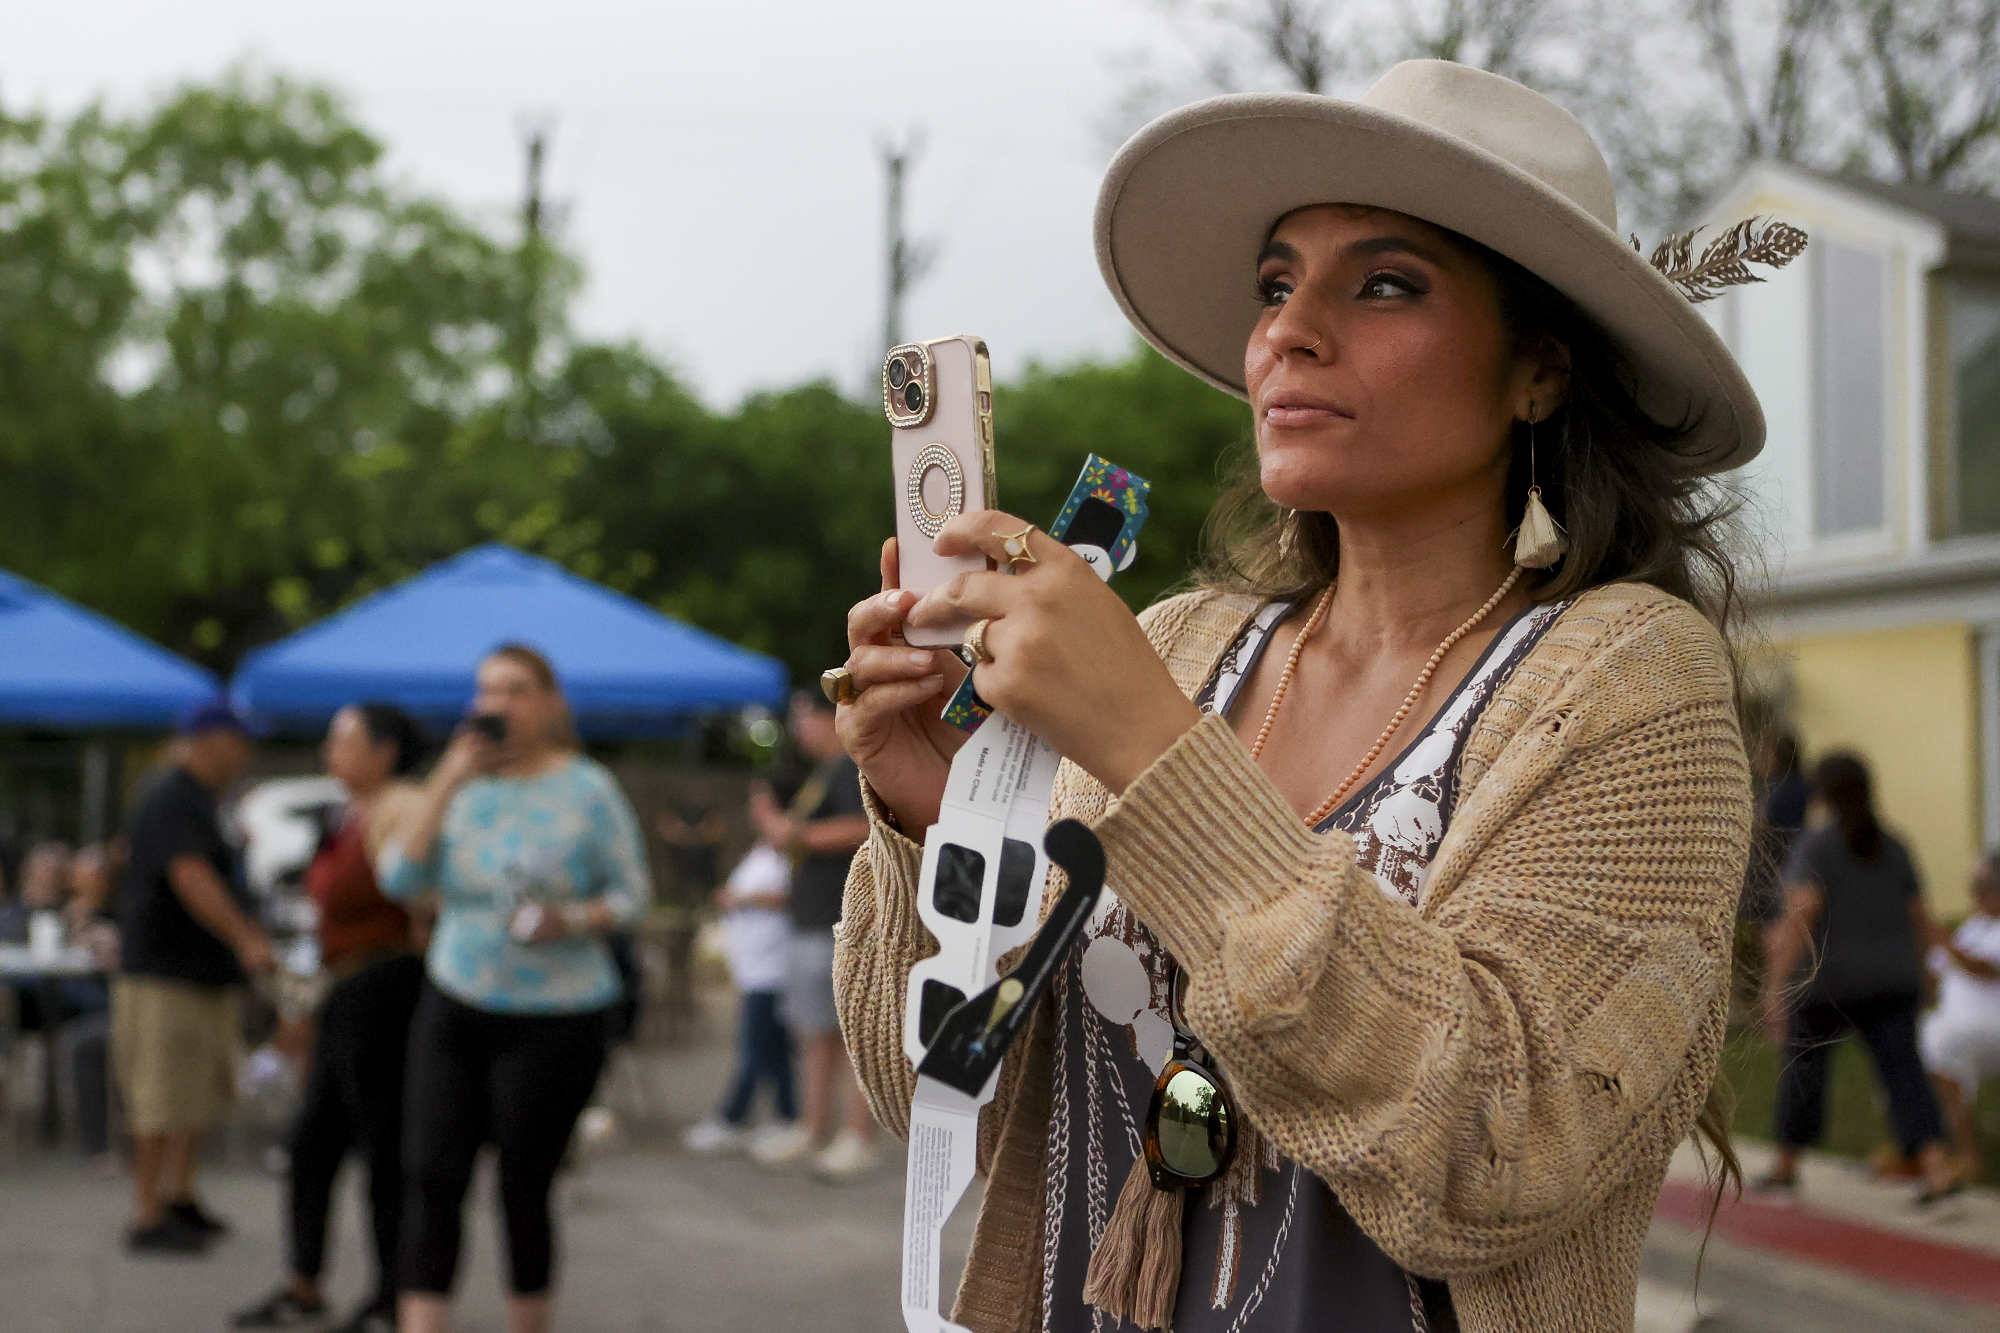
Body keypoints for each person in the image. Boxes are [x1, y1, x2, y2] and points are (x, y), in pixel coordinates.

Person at [833, 61, 1761, 1332]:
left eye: (1383, 284)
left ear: (1537, 372)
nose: (1289, 330)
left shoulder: (1631, 680)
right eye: (1276, 285)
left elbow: (1492, 1156)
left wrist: (1154, 756)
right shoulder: (1175, 645)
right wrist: (940, 822)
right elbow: (942, 1102)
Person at [376, 644, 648, 1333]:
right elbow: (399, 880)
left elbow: (633, 894)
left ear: (550, 703)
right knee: (431, 1176)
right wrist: (446, 778)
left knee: (523, 1186)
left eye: (516, 689)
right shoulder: (458, 785)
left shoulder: (587, 788)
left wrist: (572, 918)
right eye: (487, 690)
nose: (497, 703)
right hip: (456, 994)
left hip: (557, 1012)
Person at [233, 703, 429, 1333]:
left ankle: (393, 1296)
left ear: (384, 752)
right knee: (312, 1144)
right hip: (346, 992)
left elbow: (420, 891)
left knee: (383, 1148)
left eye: (342, 741)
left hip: (386, 990)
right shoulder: (353, 813)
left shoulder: (402, 807)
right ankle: (305, 1283)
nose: (329, 752)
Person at [1758, 752, 1959, 1202]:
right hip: (1892, 979)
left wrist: (1776, 986)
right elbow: (1919, 917)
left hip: (1828, 982)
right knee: (1904, 1073)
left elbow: (1802, 913)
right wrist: (1926, 976)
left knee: (1803, 1072)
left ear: (1823, 793)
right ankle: (1937, 1168)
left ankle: (1786, 1165)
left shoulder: (1816, 845)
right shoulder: (1895, 845)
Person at [113, 701, 275, 1253]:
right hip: (166, 975)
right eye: (239, 740)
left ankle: (179, 1195)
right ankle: (147, 1212)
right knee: (159, 1095)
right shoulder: (173, 797)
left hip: (199, 973)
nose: (246, 753)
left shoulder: (202, 800)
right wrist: (246, 937)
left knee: (196, 1092)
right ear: (210, 740)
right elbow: (191, 876)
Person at [746, 691, 874, 1181]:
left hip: (839, 919)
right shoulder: (826, 772)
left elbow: (866, 828)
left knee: (855, 1033)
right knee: (816, 1032)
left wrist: (790, 833)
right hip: (813, 919)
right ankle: (814, 1127)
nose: (798, 730)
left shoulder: (853, 766)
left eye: (804, 718)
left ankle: (857, 1135)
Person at [681, 795, 799, 1155]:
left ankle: (732, 1118)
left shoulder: (791, 850)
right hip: (752, 966)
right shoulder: (761, 850)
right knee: (775, 1049)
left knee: (754, 1047)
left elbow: (788, 896)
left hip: (772, 967)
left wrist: (742, 899)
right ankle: (788, 1117)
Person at [1920, 851, 2000, 1185]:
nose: (1977, 895)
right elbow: (1932, 973)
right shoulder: (1972, 927)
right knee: (1905, 1049)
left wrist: (1943, 941)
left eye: (1984, 888)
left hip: (1989, 1025)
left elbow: (1985, 969)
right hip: (1955, 1024)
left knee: (1943, 1052)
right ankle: (1925, 1151)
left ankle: (1967, 1156)